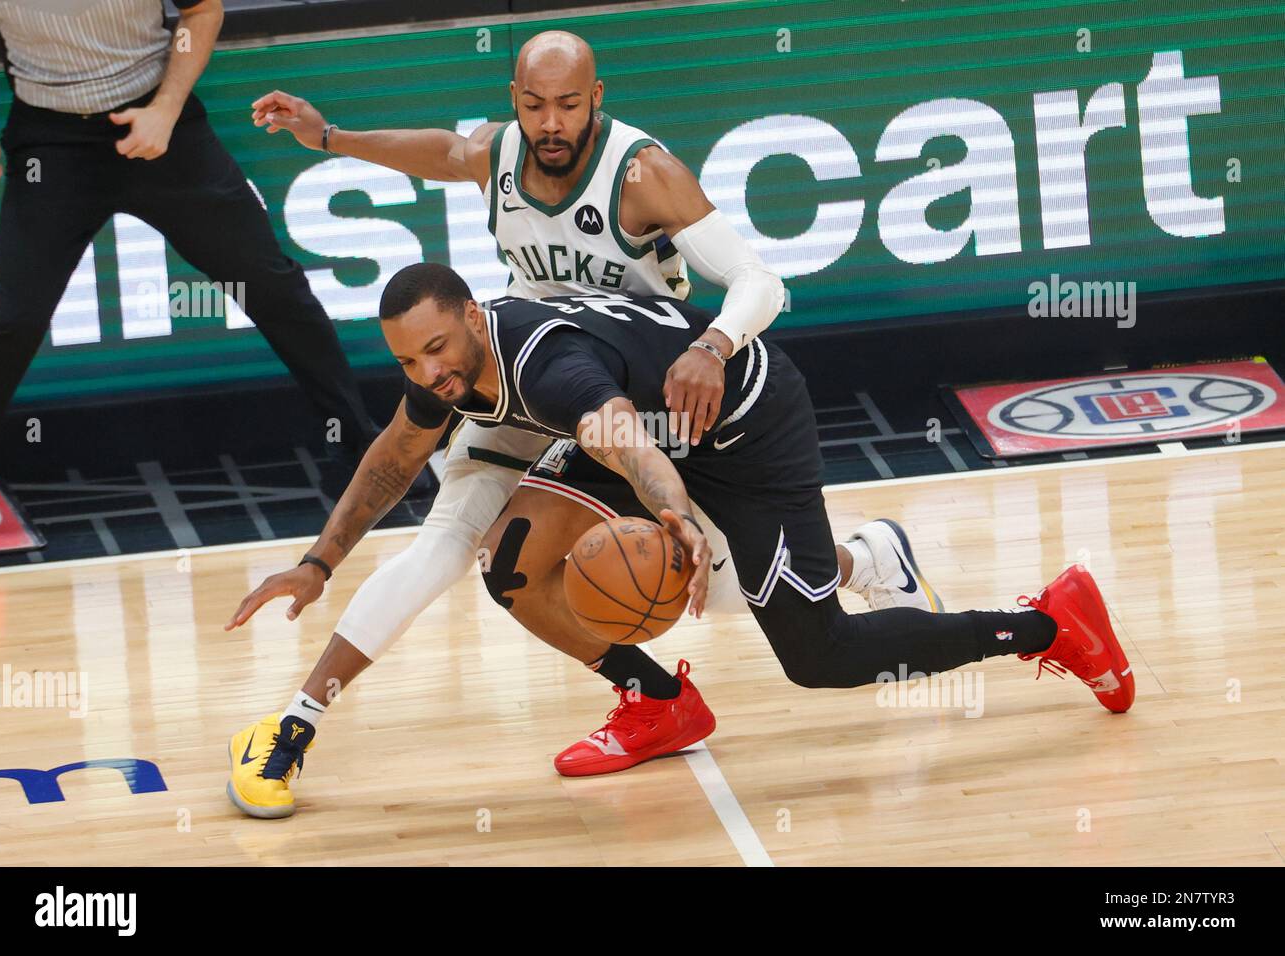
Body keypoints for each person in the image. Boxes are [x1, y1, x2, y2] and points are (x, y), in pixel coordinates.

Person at [224, 32, 941, 815]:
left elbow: (759, 280)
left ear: (597, 98)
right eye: (535, 106)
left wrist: (713, 343)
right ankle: (301, 722)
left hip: (628, 388)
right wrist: (329, 138)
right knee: (472, 547)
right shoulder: (501, 161)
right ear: (515, 103)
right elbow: (444, 152)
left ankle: (855, 558)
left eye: (568, 104)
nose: (552, 122)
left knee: (703, 583)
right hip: (527, 379)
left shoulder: (642, 172)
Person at [226, 265, 1136, 817]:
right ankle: (657, 702)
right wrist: (315, 565)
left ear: (472, 317)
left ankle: (1046, 624)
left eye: (435, 351)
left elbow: (621, 434)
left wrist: (668, 513)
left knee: (819, 659)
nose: (428, 374)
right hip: (652, 430)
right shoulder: (453, 368)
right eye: (408, 361)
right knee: (510, 565)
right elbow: (392, 456)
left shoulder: (543, 363)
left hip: (744, 432)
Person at [0, 0, 378, 476]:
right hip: (50, 144)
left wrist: (165, 110)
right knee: (15, 320)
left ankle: (362, 452)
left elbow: (204, 10)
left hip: (161, 120)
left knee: (271, 285)